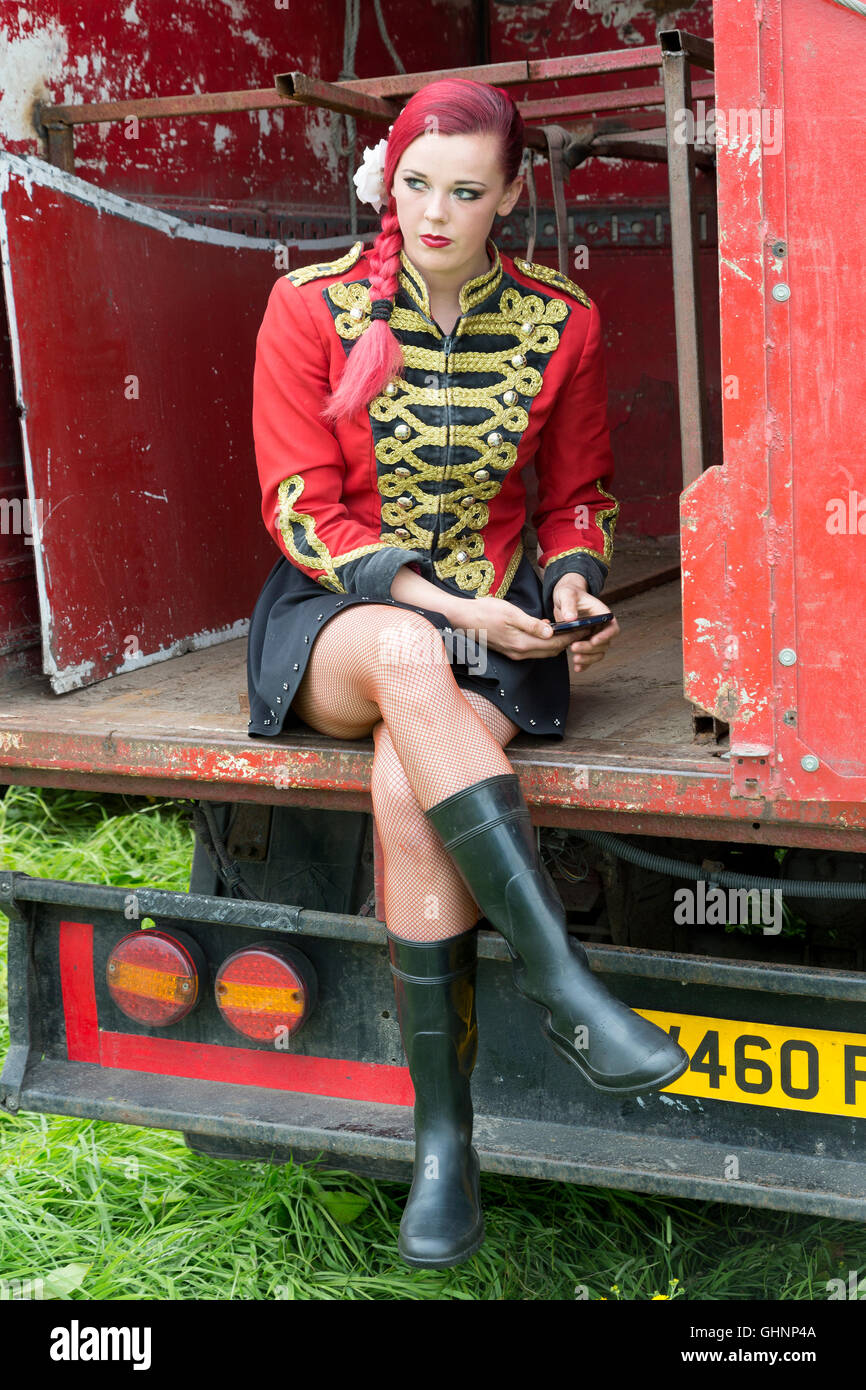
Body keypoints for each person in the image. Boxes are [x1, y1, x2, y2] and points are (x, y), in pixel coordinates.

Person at [245, 77, 689, 1270]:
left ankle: (444, 1146)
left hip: (498, 637)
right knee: (403, 653)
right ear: (387, 182)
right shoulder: (307, 308)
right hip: (345, 619)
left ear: (506, 199)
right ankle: (561, 980)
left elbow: (575, 497)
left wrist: (573, 588)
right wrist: (453, 609)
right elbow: (301, 510)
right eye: (416, 184)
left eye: (465, 190)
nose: (434, 211)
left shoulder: (564, 320)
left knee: (407, 786)